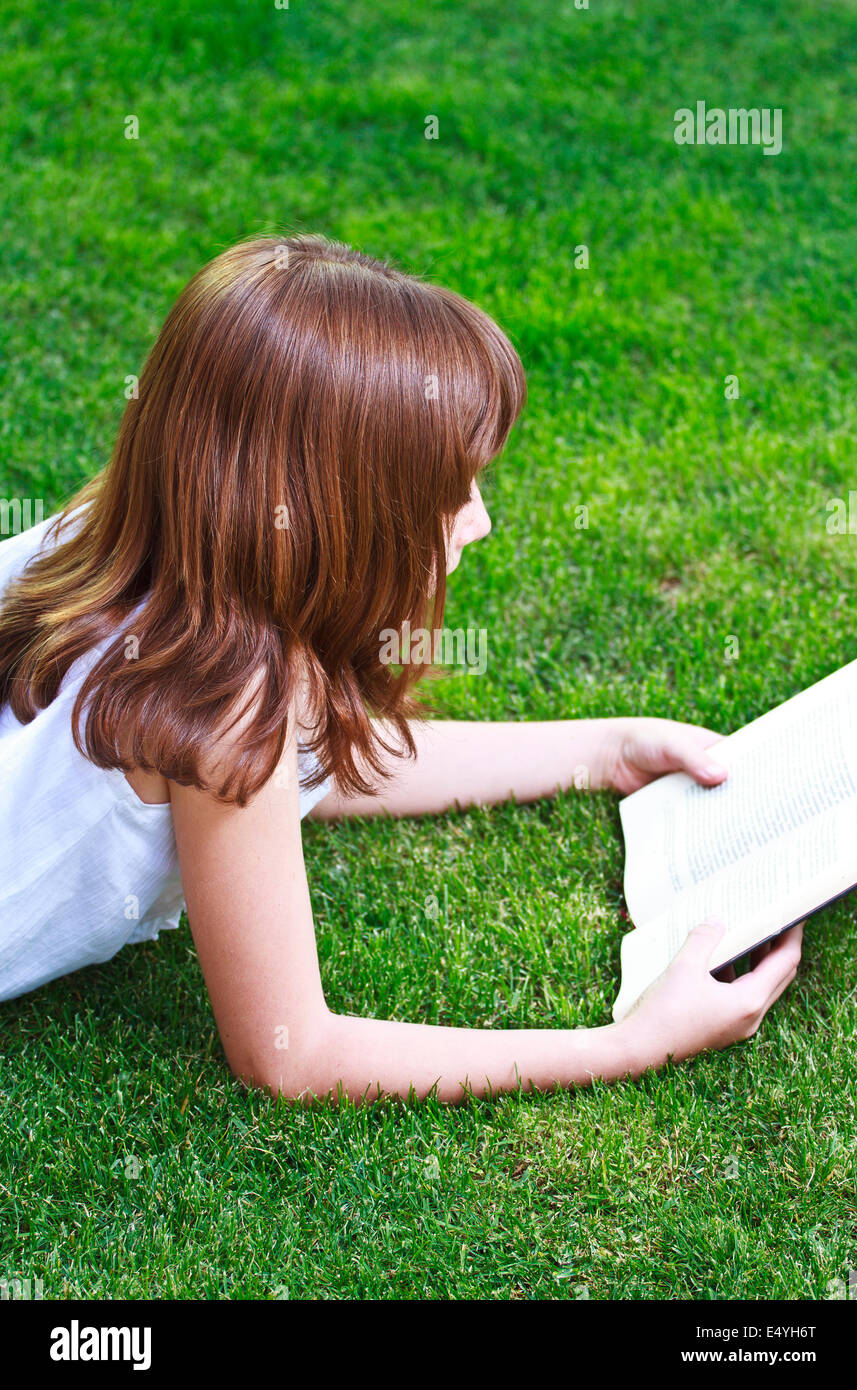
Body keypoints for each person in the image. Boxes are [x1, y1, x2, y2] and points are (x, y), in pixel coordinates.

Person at [0, 233, 802, 1103]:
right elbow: (292, 1053)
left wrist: (606, 750)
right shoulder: (232, 706)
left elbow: (318, 769)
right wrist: (636, 1040)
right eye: (452, 492)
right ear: (329, 516)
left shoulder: (131, 549)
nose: (480, 522)